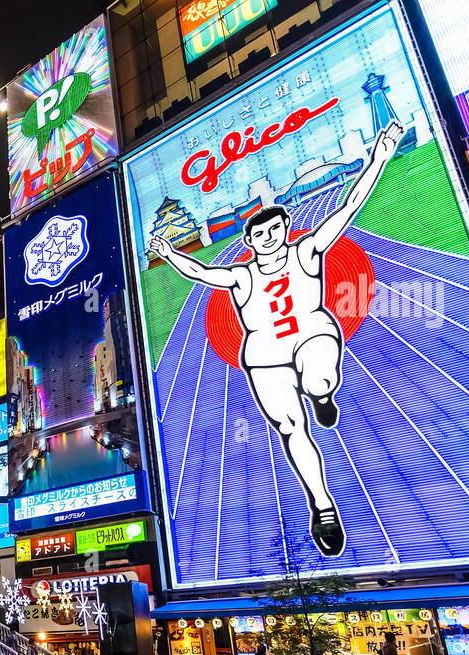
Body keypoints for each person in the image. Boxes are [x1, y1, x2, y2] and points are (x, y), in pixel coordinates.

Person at [149, 119, 405, 558]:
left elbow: (346, 209)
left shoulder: (306, 252)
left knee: (320, 377)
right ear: (248, 241)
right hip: (265, 356)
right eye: (258, 234)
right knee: (291, 426)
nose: (267, 238)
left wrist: (378, 158)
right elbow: (202, 272)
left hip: (311, 334)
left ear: (286, 229)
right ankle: (323, 506)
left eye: (274, 230)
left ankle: (322, 393)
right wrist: (171, 255)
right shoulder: (242, 276)